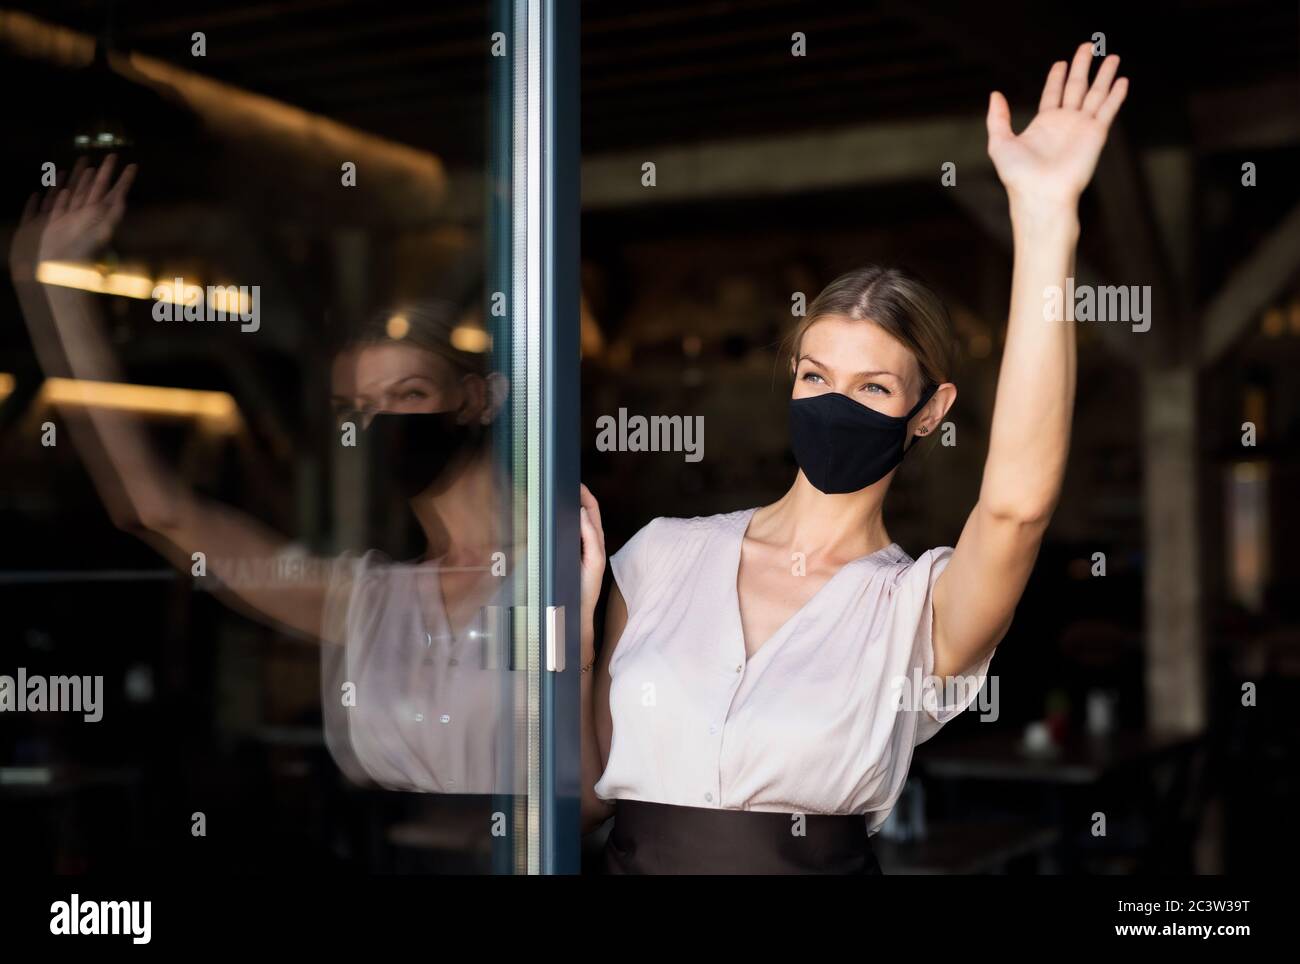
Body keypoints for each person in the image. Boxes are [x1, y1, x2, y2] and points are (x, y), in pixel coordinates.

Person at [578, 43, 1129, 873]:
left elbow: (1016, 507)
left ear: (928, 413)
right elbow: (583, 796)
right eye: (815, 375)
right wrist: (566, 638)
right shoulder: (658, 556)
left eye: (873, 389)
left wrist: (1045, 216)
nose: (836, 404)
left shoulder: (919, 612)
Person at [9, 158, 523, 800]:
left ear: (478, 398)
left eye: (409, 392)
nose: (383, 422)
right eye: (359, 409)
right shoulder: (369, 602)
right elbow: (155, 510)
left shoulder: (574, 573)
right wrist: (50, 289)